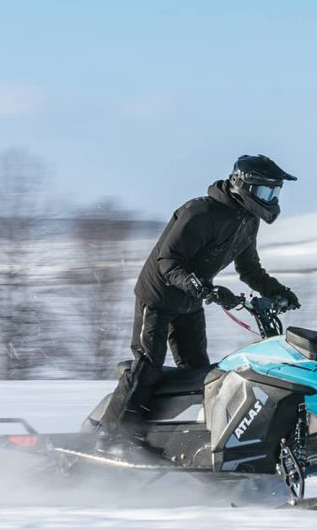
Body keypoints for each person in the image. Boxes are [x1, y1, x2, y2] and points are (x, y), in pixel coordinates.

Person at [90, 154, 299, 448]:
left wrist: (278, 291)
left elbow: (249, 269)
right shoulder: (200, 212)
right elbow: (169, 261)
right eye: (266, 191)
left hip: (189, 302)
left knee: (199, 373)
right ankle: (111, 433)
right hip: (159, 297)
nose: (271, 198)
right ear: (243, 186)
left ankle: (177, 436)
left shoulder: (247, 221)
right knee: (148, 364)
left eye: (275, 192)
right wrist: (202, 288)